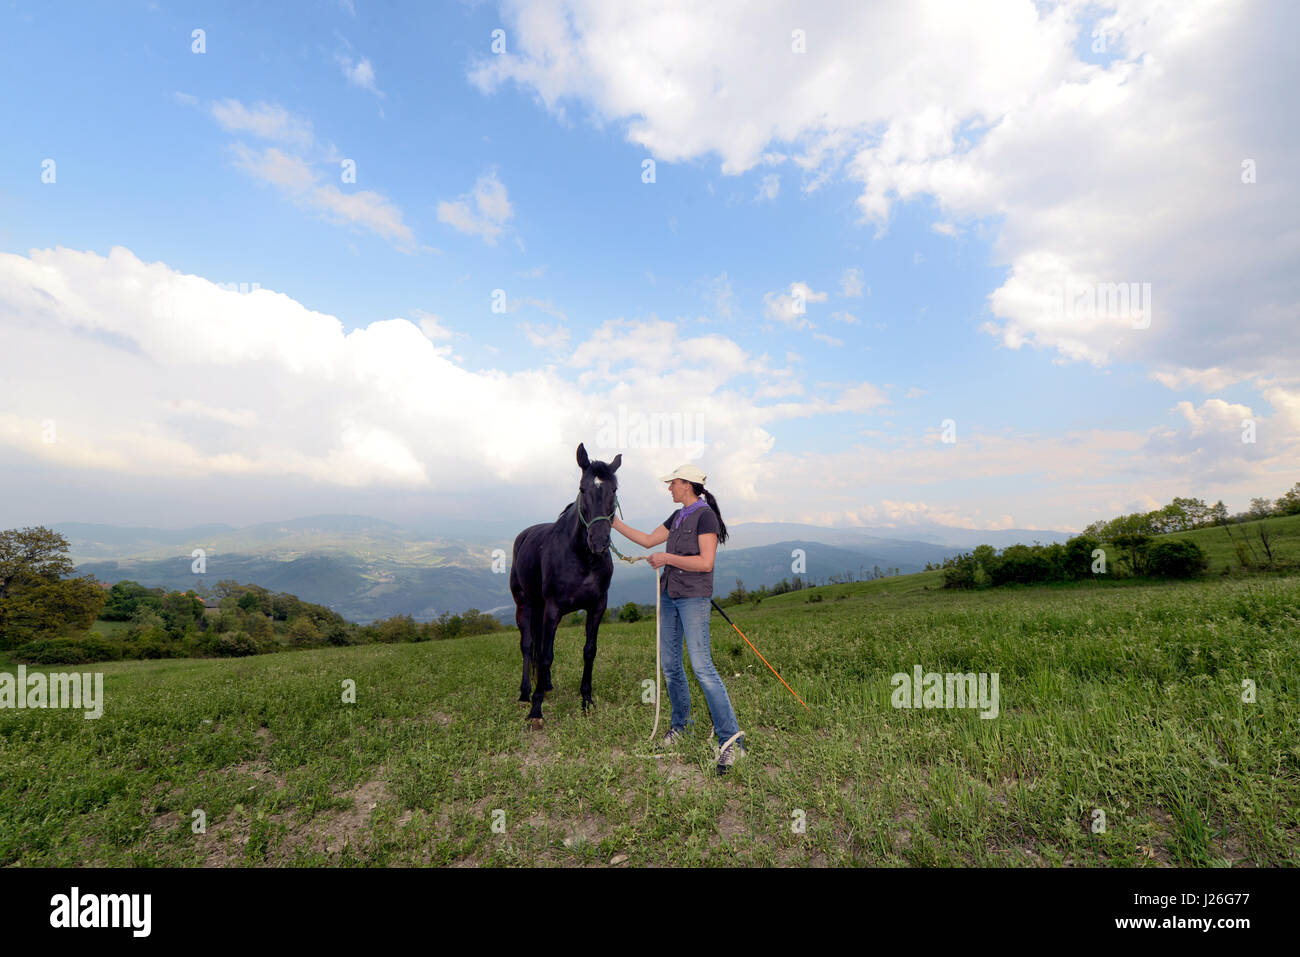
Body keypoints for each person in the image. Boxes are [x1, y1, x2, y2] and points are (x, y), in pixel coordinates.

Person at [611, 463, 746, 775]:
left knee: (702, 666)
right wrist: (613, 523)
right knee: (671, 665)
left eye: (672, 483)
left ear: (687, 484)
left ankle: (732, 741)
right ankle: (680, 727)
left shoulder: (705, 515)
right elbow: (647, 540)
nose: (668, 488)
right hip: (670, 595)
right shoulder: (677, 516)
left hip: (693, 598)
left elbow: (706, 562)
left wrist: (667, 558)